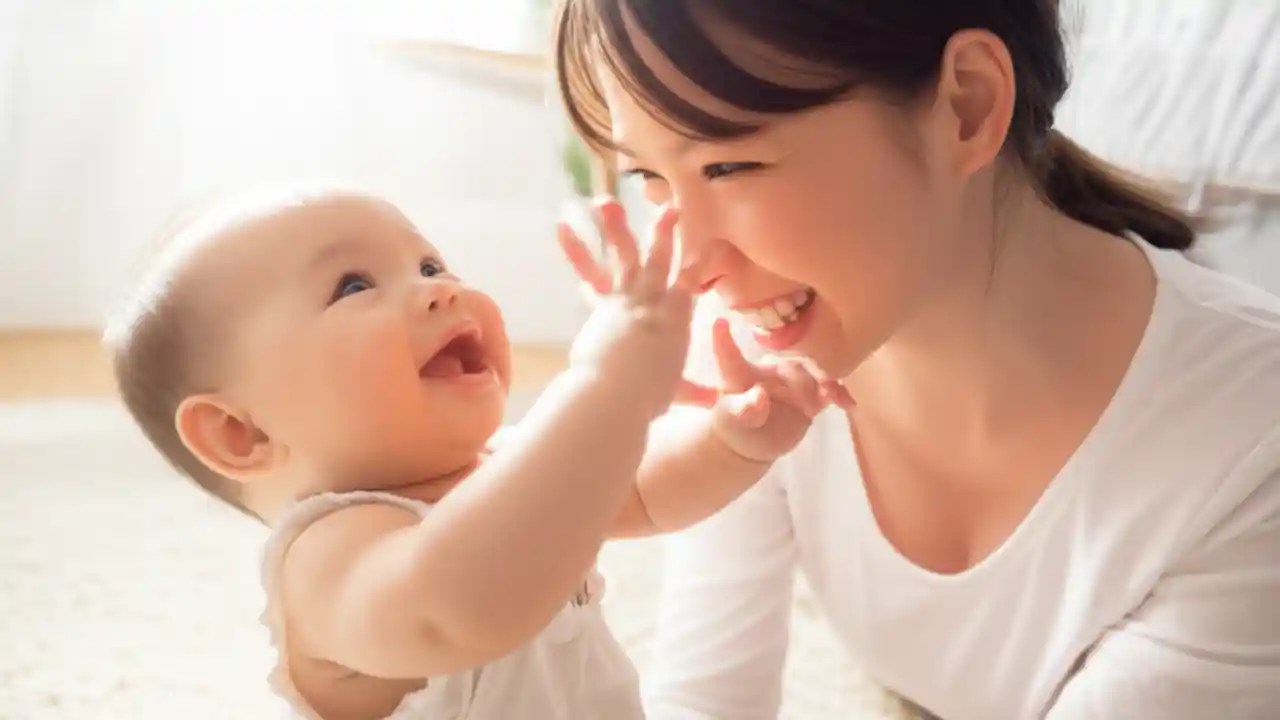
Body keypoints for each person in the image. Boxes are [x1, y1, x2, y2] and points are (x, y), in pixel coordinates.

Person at [551, 1, 1280, 718]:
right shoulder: (750, 354)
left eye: (729, 165)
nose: (689, 267)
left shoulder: (1250, 440)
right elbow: (707, 695)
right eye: (646, 177)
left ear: (967, 105)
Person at [103, 186, 840, 719]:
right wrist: (604, 388)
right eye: (353, 285)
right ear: (243, 434)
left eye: (429, 265)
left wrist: (734, 440)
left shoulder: (506, 473)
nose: (440, 292)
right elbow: (459, 611)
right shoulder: (327, 562)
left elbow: (643, 492)